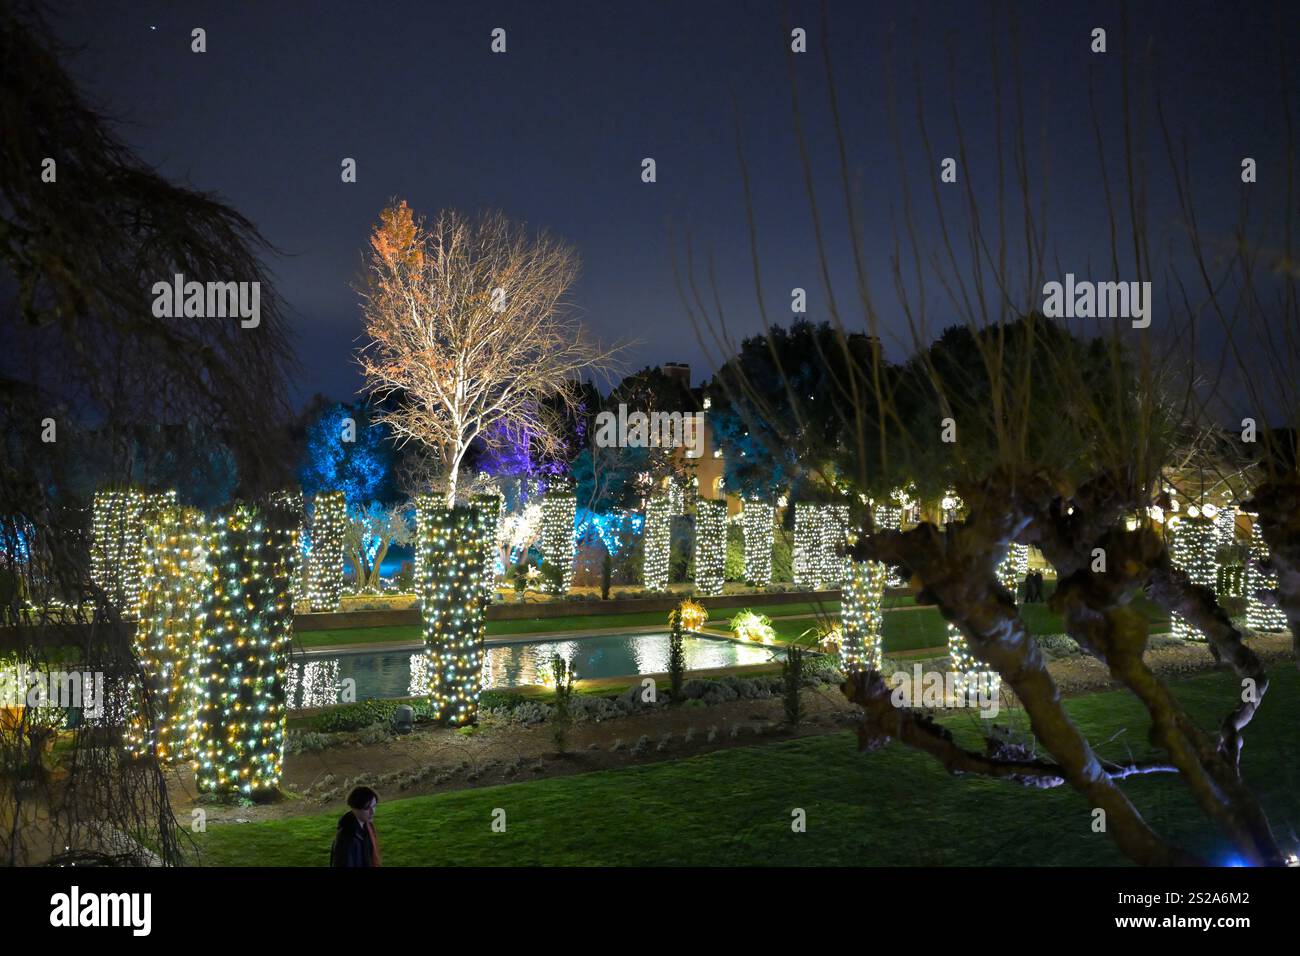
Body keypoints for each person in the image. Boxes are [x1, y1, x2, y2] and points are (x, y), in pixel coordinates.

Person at [330, 786, 381, 867]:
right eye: (367, 808)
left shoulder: (366, 826)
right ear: (355, 808)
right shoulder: (346, 838)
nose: (372, 812)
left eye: (374, 806)